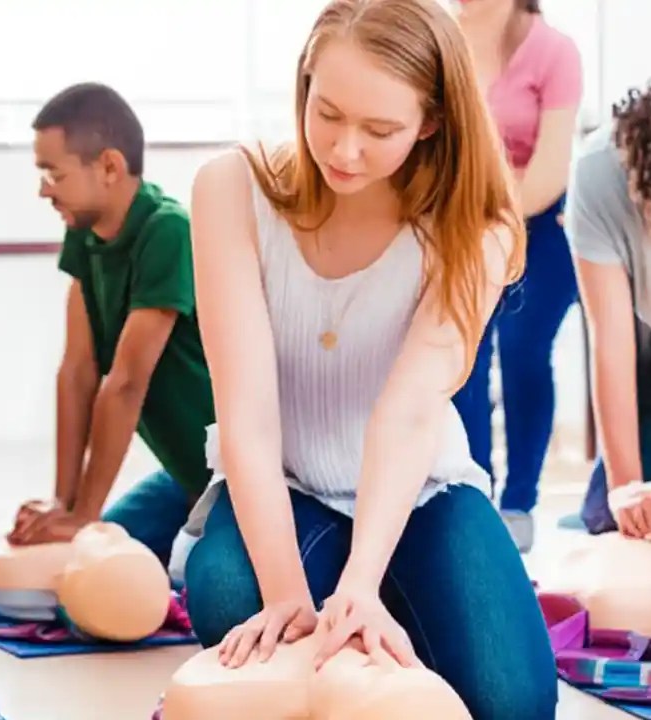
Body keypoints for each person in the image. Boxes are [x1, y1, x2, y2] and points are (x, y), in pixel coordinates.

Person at [181, 1, 556, 718]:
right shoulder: (230, 189)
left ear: (433, 121)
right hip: (284, 483)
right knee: (233, 596)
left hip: (420, 488)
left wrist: (360, 581)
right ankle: (349, 605)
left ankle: (379, 597)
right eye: (327, 112)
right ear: (304, 83)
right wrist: (290, 600)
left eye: (379, 130)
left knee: (514, 702)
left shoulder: (477, 228)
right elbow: (248, 418)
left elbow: (409, 413)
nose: (344, 150)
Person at [9, 82, 216, 579]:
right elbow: (78, 370)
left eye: (53, 173)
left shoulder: (167, 230)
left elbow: (125, 381)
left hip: (232, 483)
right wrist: (64, 504)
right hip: (184, 479)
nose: (43, 189)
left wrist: (84, 517)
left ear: (108, 167)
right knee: (83, 572)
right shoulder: (84, 231)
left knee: (204, 583)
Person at [451, 0, 584, 552]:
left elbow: (549, 175)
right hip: (458, 227)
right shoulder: (442, 40)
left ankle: (519, 502)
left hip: (542, 231)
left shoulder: (554, 52)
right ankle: (475, 498)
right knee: (463, 362)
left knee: (525, 353)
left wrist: (488, 202)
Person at [565, 82, 651, 541]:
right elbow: (611, 342)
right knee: (615, 519)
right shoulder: (599, 171)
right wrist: (629, 491)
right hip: (649, 344)